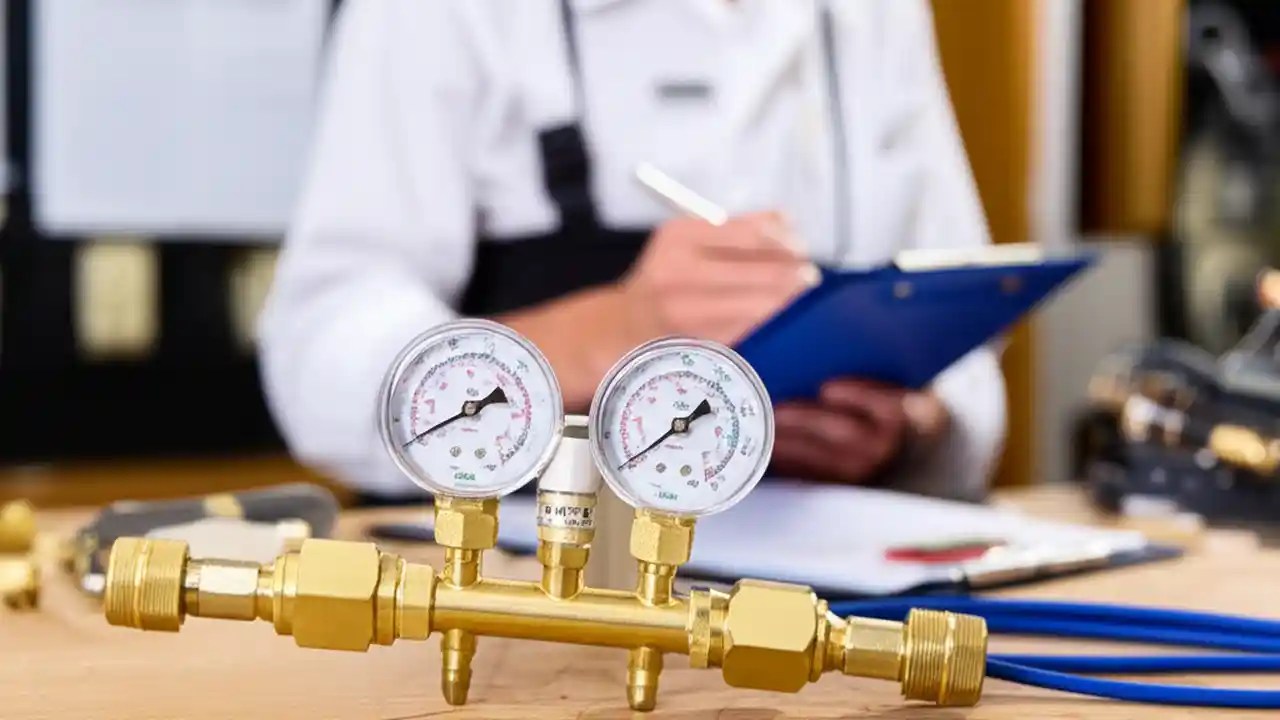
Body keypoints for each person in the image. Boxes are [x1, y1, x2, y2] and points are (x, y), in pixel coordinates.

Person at [259, 0, 1006, 500]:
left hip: (831, 597)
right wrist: (610, 337)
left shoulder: (874, 15)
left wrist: (911, 427)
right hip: (526, 601)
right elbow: (320, 366)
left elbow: (973, 358)